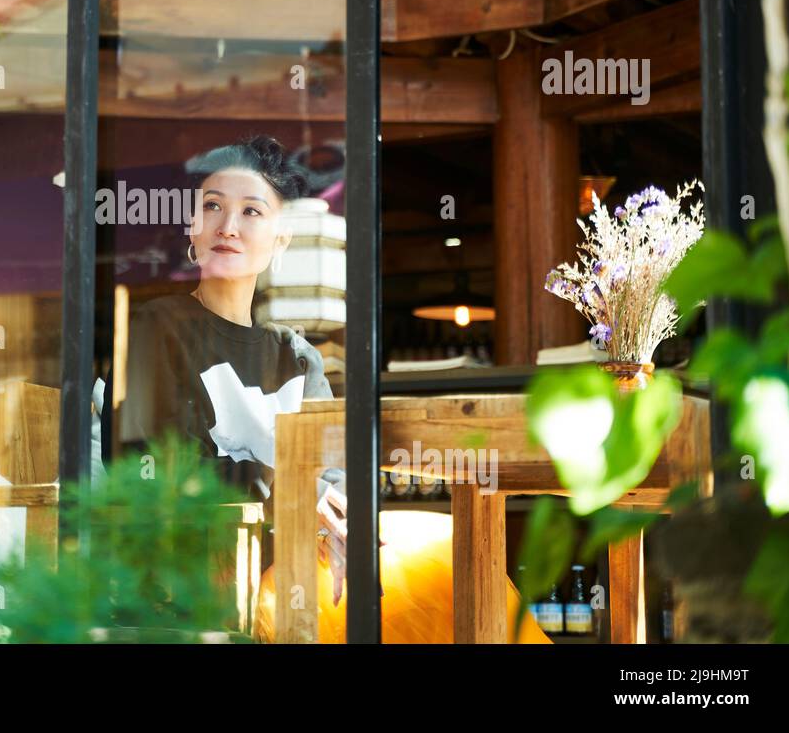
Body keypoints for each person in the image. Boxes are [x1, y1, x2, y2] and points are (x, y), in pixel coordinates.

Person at [113, 135, 547, 643]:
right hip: (209, 566)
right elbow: (161, 467)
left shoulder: (295, 356)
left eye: (252, 211)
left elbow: (335, 475)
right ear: (192, 227)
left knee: (447, 549)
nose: (227, 227)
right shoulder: (159, 326)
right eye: (212, 207)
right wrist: (294, 491)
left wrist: (326, 511)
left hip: (302, 555)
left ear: (280, 240)